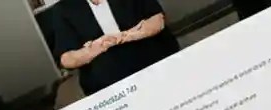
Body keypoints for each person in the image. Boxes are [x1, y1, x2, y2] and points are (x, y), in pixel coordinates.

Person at [51, 0, 181, 97]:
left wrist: (126, 36)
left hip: (155, 65)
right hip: (109, 86)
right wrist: (94, 49)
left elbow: (157, 20)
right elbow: (66, 59)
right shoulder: (64, 9)